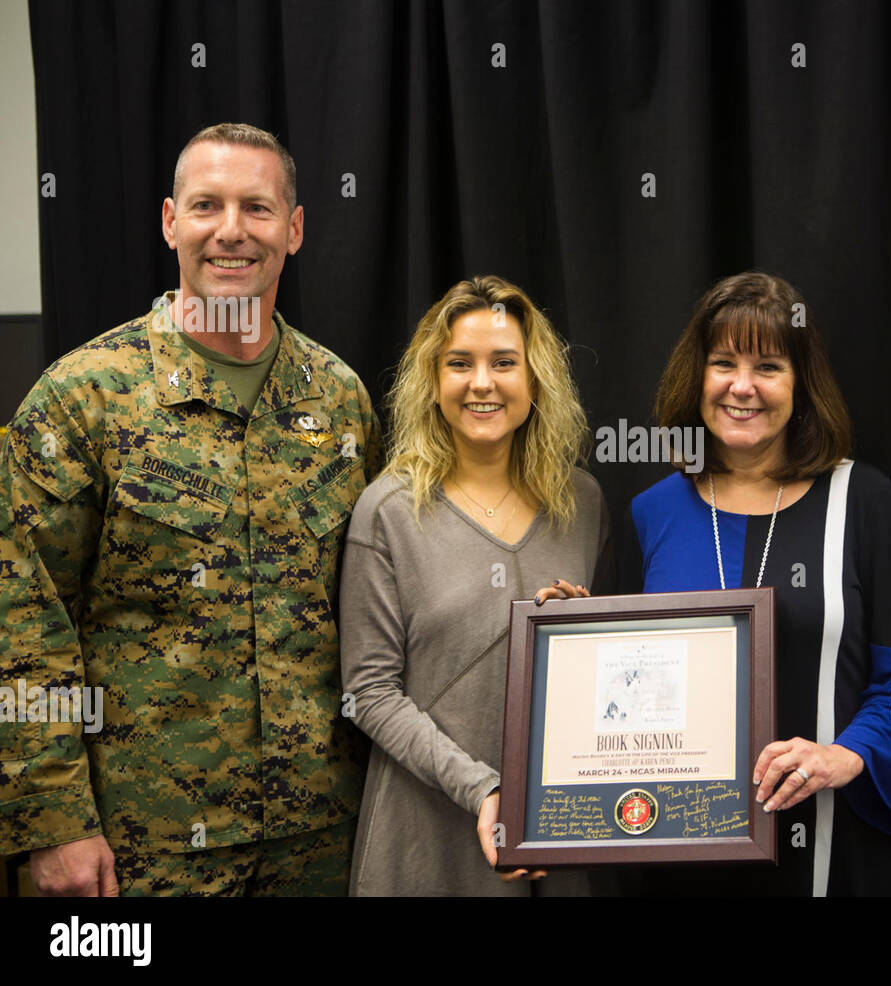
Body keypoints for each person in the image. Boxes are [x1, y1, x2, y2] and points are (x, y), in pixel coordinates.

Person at [0, 123, 382, 895]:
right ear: (172, 221)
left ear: (296, 229)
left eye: (258, 208)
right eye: (207, 206)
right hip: (144, 847)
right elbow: (24, 624)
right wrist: (54, 821)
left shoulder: (339, 400)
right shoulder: (84, 399)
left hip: (321, 839)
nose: (232, 231)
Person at [612, 272, 891, 896]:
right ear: (697, 376)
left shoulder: (863, 503)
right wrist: (571, 632)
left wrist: (847, 753)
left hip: (836, 841)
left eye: (768, 365)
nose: (742, 387)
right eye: (723, 364)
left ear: (801, 384)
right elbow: (620, 682)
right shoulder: (651, 512)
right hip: (681, 850)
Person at [340, 275, 609, 896]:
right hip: (425, 836)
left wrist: (588, 637)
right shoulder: (388, 512)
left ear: (535, 378)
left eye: (504, 363)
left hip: (553, 834)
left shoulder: (583, 502)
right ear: (433, 382)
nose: (482, 382)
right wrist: (483, 788)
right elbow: (369, 691)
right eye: (459, 363)